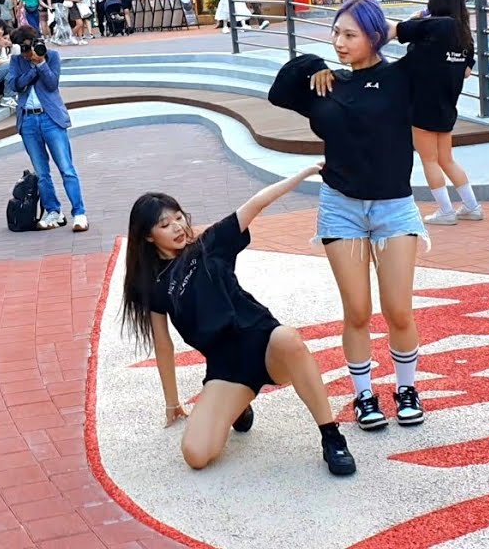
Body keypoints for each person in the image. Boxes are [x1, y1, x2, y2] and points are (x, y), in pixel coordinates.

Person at [121, 171, 357, 475]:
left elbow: (257, 203)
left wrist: (307, 173)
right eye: (165, 225)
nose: (177, 227)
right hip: (227, 368)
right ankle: (238, 407)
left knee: (287, 337)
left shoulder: (210, 244)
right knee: (196, 455)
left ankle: (331, 437)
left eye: (179, 217)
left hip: (265, 345)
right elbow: (163, 345)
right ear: (149, 236)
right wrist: (172, 402)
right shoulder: (154, 286)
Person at [268, 0, 427, 431]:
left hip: (394, 206)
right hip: (341, 208)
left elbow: (445, 32)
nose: (339, 42)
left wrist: (397, 30)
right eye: (336, 33)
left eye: (350, 35)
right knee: (356, 310)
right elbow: (280, 91)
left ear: (374, 37)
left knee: (398, 309)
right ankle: (363, 396)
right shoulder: (327, 84)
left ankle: (407, 388)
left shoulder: (401, 77)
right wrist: (315, 64)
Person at [397, 0, 484, 225]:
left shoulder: (433, 27)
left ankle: (445, 210)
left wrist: (416, 19)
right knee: (446, 159)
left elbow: (400, 32)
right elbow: (467, 71)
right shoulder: (463, 33)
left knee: (429, 159)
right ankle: (471, 205)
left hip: (423, 103)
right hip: (447, 103)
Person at [8, 25, 87, 232]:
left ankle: (79, 213)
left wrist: (41, 63)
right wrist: (33, 69)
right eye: (22, 49)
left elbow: (52, 84)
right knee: (42, 173)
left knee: (66, 168)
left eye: (27, 48)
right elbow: (14, 84)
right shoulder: (17, 61)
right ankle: (53, 211)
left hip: (50, 118)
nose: (26, 54)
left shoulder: (51, 56)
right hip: (28, 121)